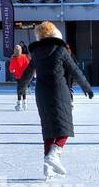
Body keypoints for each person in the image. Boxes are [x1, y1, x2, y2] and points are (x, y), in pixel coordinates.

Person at [19, 21, 94, 179]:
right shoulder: (60, 50)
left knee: (48, 130)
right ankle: (54, 154)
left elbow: (27, 73)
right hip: (59, 91)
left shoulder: (37, 53)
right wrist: (86, 87)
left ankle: (47, 167)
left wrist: (21, 89)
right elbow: (74, 70)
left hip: (42, 93)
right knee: (64, 127)